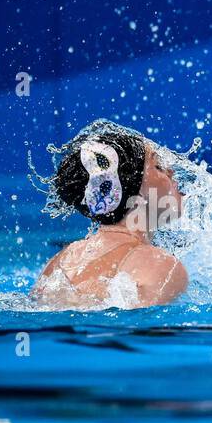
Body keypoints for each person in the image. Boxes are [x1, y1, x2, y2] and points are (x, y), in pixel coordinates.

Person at [33, 120, 187, 309]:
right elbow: (138, 332)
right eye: (158, 167)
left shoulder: (61, 260)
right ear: (135, 193)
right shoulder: (160, 265)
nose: (171, 172)